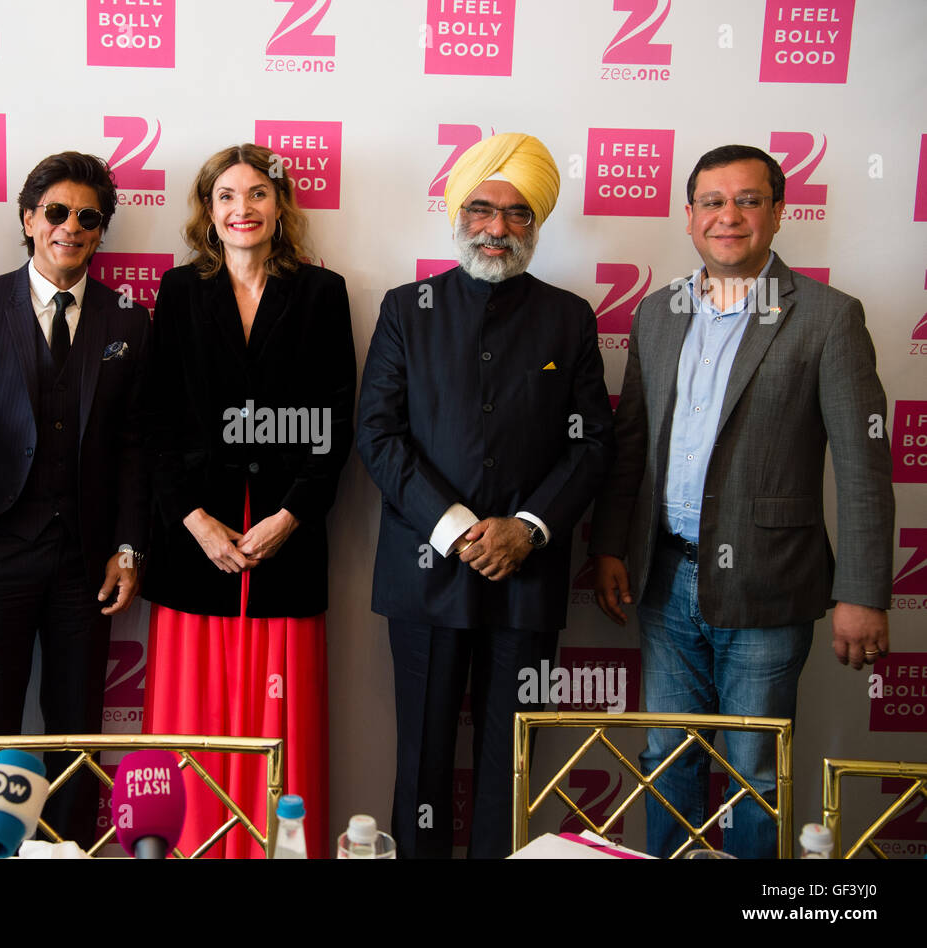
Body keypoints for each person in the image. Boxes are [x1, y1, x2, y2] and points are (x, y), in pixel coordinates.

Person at [589, 144, 894, 859]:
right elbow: (631, 442)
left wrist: (863, 591)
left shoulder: (828, 318)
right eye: (712, 202)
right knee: (669, 757)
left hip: (770, 583)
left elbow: (862, 467)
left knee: (755, 770)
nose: (729, 216)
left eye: (748, 201)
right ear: (689, 216)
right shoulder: (658, 313)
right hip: (663, 579)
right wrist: (609, 544)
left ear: (779, 213)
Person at [357, 133, 614, 858]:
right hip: (426, 572)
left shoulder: (570, 317)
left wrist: (527, 529)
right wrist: (459, 526)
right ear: (457, 214)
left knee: (512, 764)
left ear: (537, 223)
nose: (497, 228)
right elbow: (377, 434)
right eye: (482, 210)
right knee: (422, 764)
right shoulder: (408, 309)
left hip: (527, 579)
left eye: (517, 214)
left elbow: (593, 442)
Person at [0, 152, 150, 854]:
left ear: (101, 231)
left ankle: (69, 853)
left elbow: (140, 446)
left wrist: (129, 547)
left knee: (76, 731)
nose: (70, 227)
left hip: (88, 562)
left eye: (88, 217)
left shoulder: (129, 319)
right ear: (28, 218)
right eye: (56, 212)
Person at [141, 143, 356, 858]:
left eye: (258, 194)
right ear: (208, 209)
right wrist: (195, 520)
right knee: (190, 724)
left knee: (278, 721)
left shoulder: (322, 292)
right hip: (193, 545)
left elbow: (335, 422)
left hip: (285, 544)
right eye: (227, 195)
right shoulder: (178, 291)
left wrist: (290, 516)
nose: (243, 208)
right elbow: (157, 422)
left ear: (279, 206)